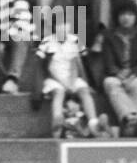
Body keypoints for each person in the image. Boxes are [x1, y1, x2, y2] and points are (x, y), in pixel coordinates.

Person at [35, 8, 100, 138]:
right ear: (54, 26)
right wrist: (64, 84)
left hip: (72, 77)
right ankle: (57, 123)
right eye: (59, 24)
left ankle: (93, 122)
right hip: (54, 78)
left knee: (84, 91)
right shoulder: (47, 41)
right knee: (59, 93)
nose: (63, 27)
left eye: (65, 24)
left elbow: (76, 64)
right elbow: (48, 68)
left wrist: (71, 82)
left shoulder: (75, 40)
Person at [97, 0, 137, 130]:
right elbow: (108, 62)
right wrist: (119, 74)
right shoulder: (109, 35)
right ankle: (133, 120)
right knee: (110, 83)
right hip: (115, 74)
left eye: (130, 14)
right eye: (122, 14)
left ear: (136, 17)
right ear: (117, 16)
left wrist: (132, 74)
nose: (126, 18)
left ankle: (130, 126)